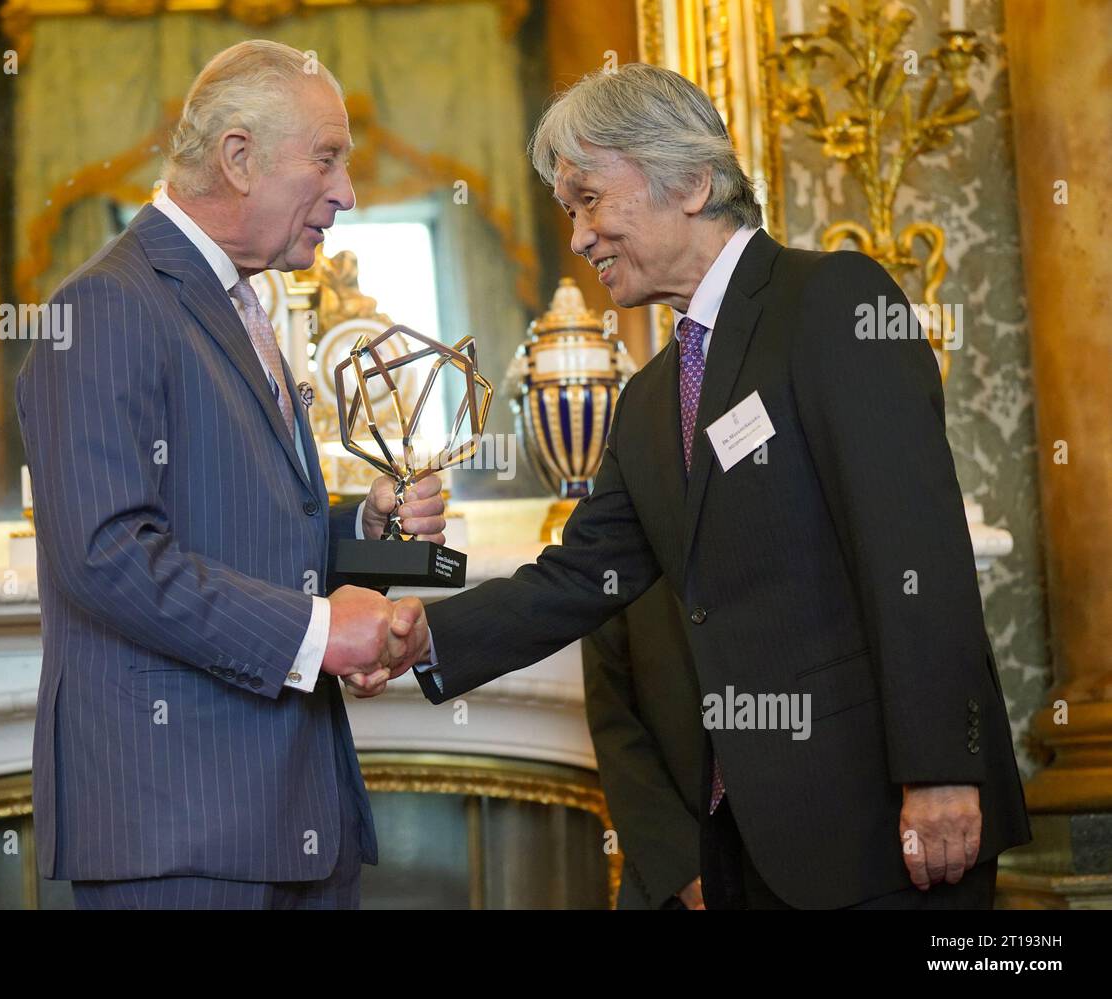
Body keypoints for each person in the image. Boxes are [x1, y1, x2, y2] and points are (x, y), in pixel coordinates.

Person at [402, 63, 1031, 909]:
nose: (580, 237)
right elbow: (585, 576)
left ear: (692, 182)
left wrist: (942, 770)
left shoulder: (831, 302)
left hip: (888, 829)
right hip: (748, 849)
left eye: (589, 200)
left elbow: (914, 550)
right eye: (567, 211)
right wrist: (417, 638)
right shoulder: (652, 394)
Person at [17, 39, 433, 910]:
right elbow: (109, 556)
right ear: (238, 158)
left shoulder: (241, 301)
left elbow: (238, 522)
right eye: (327, 158)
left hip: (295, 819)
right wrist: (322, 635)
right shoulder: (104, 306)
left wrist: (365, 528)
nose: (348, 192)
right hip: (183, 831)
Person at [582, 581, 705, 910]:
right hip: (673, 880)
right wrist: (685, 872)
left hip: (805, 864)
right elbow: (614, 726)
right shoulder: (617, 554)